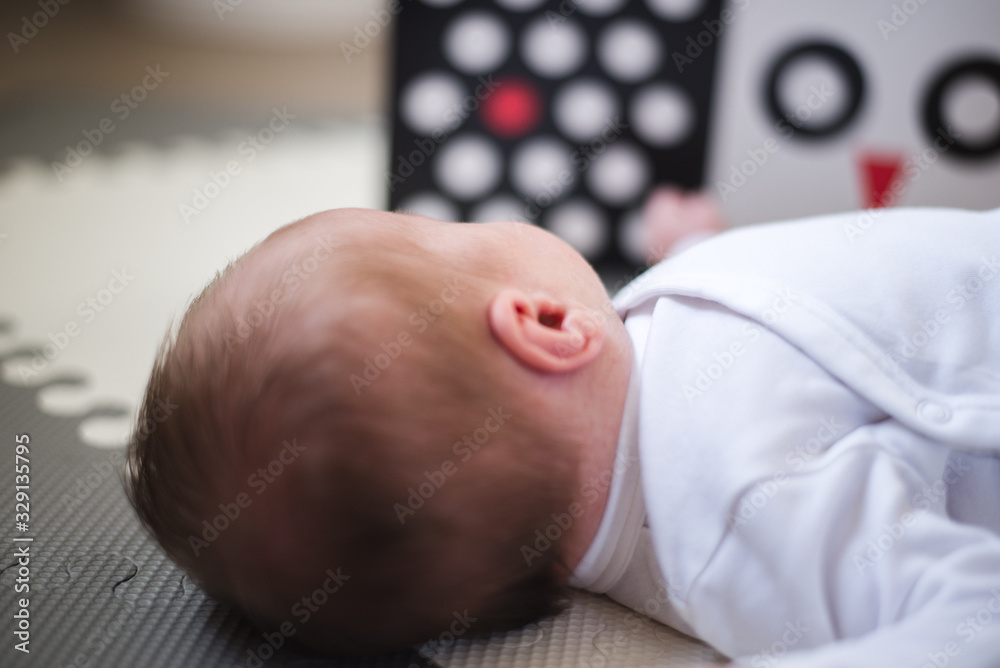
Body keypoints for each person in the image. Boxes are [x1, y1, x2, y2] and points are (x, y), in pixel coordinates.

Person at [124, 198, 1000, 667]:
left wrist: (706, 251)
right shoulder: (738, 510)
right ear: (547, 325)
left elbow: (796, 337)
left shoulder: (648, 382)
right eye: (448, 232)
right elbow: (971, 616)